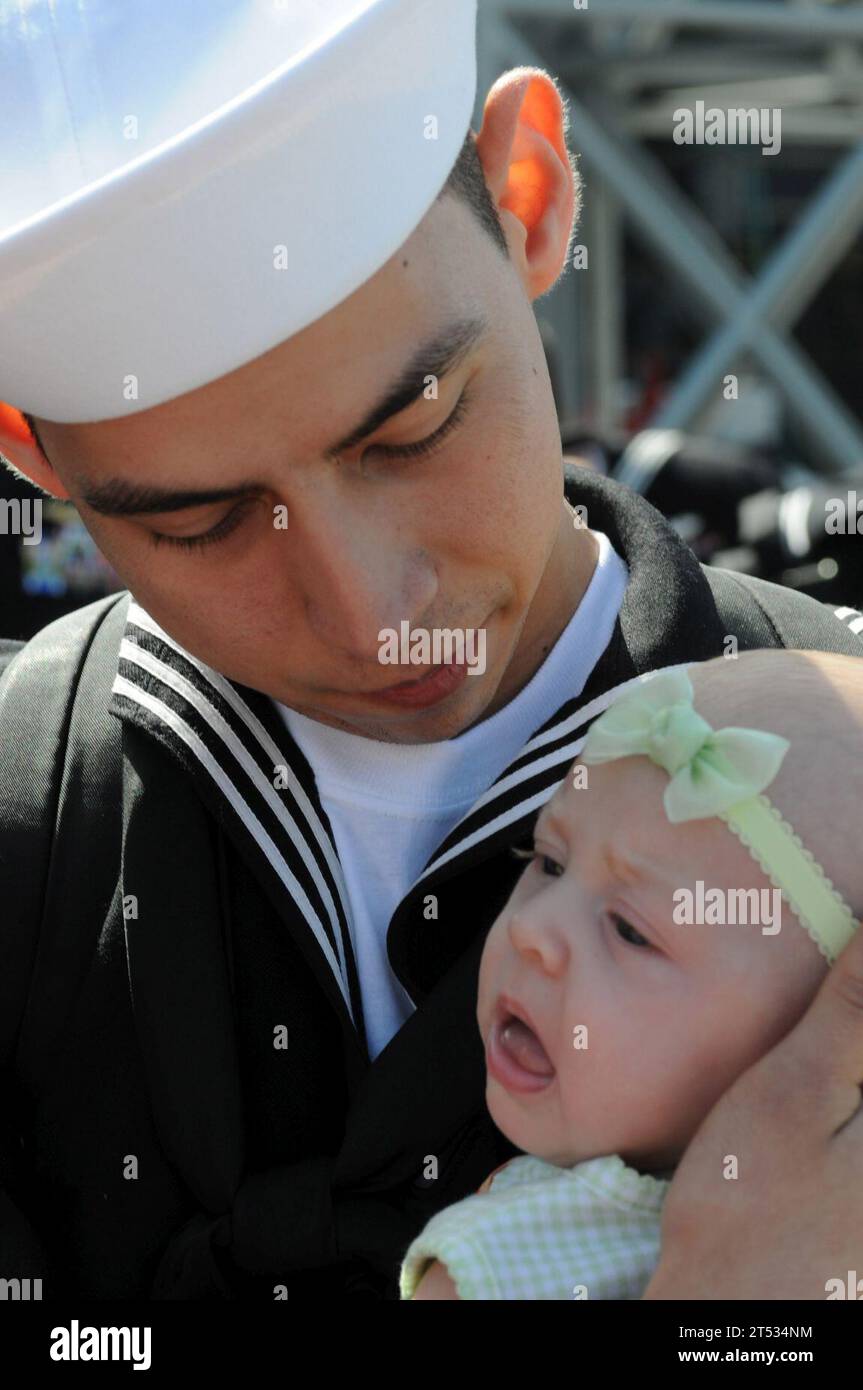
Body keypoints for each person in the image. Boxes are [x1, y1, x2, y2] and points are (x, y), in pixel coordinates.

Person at [1, 0, 862, 1301]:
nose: (367, 611)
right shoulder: (33, 826)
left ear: (528, 194)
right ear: (28, 448)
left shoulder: (841, 791)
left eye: (412, 430)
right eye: (201, 521)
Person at [401, 650, 863, 1297]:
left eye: (629, 931)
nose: (531, 931)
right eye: (548, 862)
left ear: (829, 1027)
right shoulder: (497, 1271)